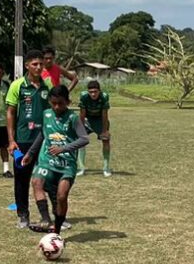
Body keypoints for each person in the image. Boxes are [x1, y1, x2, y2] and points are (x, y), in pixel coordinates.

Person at [23, 84, 90, 235]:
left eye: (60, 103)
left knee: (61, 196)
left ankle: (57, 231)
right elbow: (42, 135)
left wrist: (63, 148)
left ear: (68, 102)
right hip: (47, 160)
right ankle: (45, 219)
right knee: (36, 182)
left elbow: (84, 139)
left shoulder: (73, 118)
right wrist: (30, 153)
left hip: (67, 164)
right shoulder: (46, 114)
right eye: (53, 103)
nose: (57, 106)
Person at [6, 50, 51, 229]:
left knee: (47, 179)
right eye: (35, 64)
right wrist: (11, 140)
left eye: (41, 64)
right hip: (22, 140)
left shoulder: (46, 86)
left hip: (43, 140)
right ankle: (23, 216)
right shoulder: (17, 85)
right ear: (27, 66)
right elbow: (10, 112)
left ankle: (48, 216)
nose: (39, 67)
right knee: (21, 180)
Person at [78, 78, 113, 177]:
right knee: (81, 142)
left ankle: (106, 168)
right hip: (87, 120)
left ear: (99, 91)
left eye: (95, 92)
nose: (93, 94)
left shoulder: (104, 97)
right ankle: (81, 168)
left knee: (106, 140)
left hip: (99, 120)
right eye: (91, 92)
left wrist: (104, 131)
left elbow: (105, 115)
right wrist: (80, 129)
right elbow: (82, 114)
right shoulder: (84, 96)